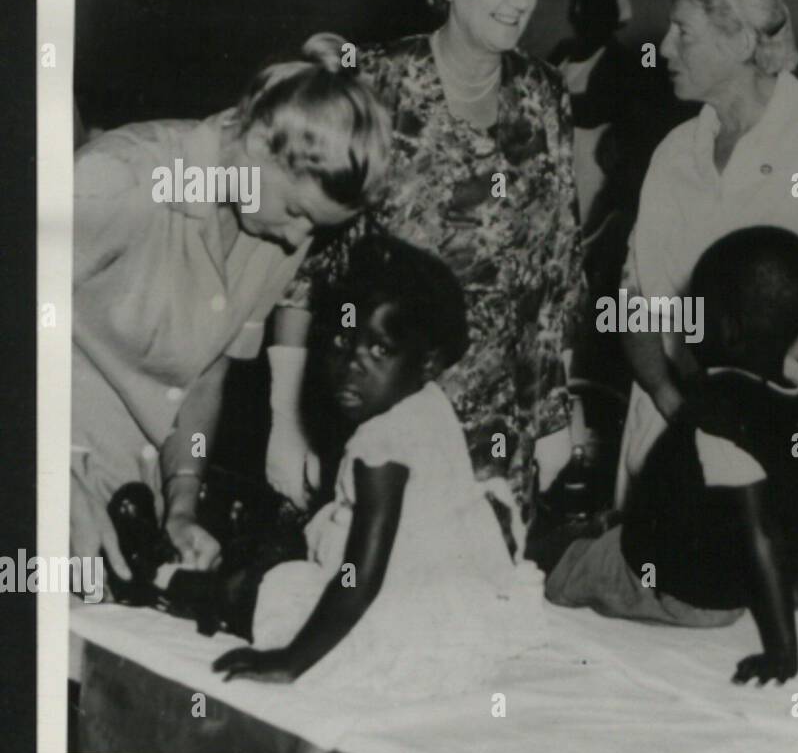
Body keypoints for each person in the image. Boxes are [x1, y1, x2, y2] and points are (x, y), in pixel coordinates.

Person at [266, 0, 582, 525]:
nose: (520, 0)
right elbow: (307, 266)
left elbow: (556, 266)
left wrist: (555, 416)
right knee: (367, 585)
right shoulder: (378, 84)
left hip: (502, 423)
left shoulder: (545, 94)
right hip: (381, 406)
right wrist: (282, 419)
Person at [138, 236, 547, 696]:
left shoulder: (383, 446)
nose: (352, 364)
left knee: (254, 591)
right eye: (342, 340)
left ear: (427, 362)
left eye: (379, 351)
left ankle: (159, 581)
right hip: (447, 607)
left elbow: (361, 579)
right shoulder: (427, 403)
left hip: (391, 619)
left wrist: (289, 663)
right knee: (275, 556)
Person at [71, 33, 391, 583]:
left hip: (123, 490)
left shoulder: (270, 235)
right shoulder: (119, 180)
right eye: (296, 211)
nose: (297, 241)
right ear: (261, 144)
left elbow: (202, 378)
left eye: (315, 227)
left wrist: (181, 502)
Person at [544, 227, 798, 685]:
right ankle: (605, 529)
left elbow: (758, 530)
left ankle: (563, 553)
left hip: (676, 588)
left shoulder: (721, 410)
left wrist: (783, 651)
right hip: (732, 580)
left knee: (557, 560)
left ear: (727, 327)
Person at [617, 0, 798, 507]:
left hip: (776, 429)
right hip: (668, 422)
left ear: (739, 42)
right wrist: (670, 398)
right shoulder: (674, 151)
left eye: (682, 32)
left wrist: (741, 407)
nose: (663, 47)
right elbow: (633, 297)